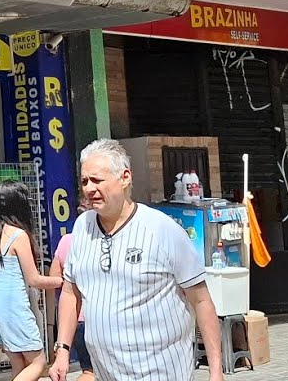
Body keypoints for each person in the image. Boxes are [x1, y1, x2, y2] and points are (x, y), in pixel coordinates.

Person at [49, 139, 224, 381]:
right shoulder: (82, 228)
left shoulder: (162, 229)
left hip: (160, 373)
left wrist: (216, 371)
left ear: (125, 177)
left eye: (97, 180)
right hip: (106, 373)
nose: (89, 188)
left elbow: (202, 300)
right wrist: (62, 352)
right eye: (84, 181)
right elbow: (70, 292)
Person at [0, 181, 63, 381]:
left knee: (18, 363)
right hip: (12, 307)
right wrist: (61, 280)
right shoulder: (19, 235)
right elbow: (34, 279)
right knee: (38, 363)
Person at [49, 204, 93, 381]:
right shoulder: (103, 241)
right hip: (98, 318)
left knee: (88, 371)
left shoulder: (67, 241)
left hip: (74, 320)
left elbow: (55, 279)